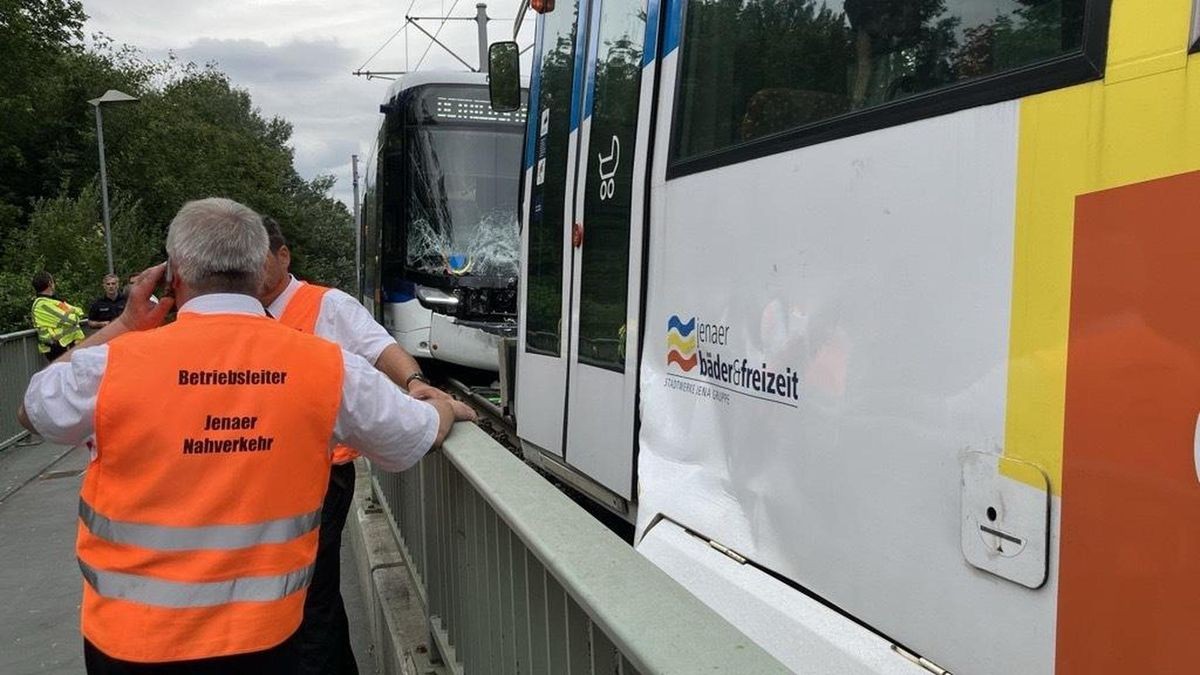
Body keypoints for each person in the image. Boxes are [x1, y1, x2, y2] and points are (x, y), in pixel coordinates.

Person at [17, 198, 477, 674]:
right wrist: (440, 405)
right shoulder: (328, 366)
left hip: (131, 643)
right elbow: (414, 433)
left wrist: (126, 323)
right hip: (267, 642)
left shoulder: (112, 366)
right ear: (260, 272)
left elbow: (32, 408)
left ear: (172, 274)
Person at [259, 215, 452, 674]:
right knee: (293, 597)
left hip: (322, 476)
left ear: (283, 256)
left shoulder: (326, 305)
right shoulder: (240, 311)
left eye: (257, 257)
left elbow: (378, 347)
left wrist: (414, 381)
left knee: (309, 593)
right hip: (264, 474)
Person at [30, 270, 85, 362]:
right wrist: (73, 314)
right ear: (50, 283)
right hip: (55, 346)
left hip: (66, 344)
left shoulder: (54, 301)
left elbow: (79, 311)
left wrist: (73, 313)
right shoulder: (42, 304)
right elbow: (71, 320)